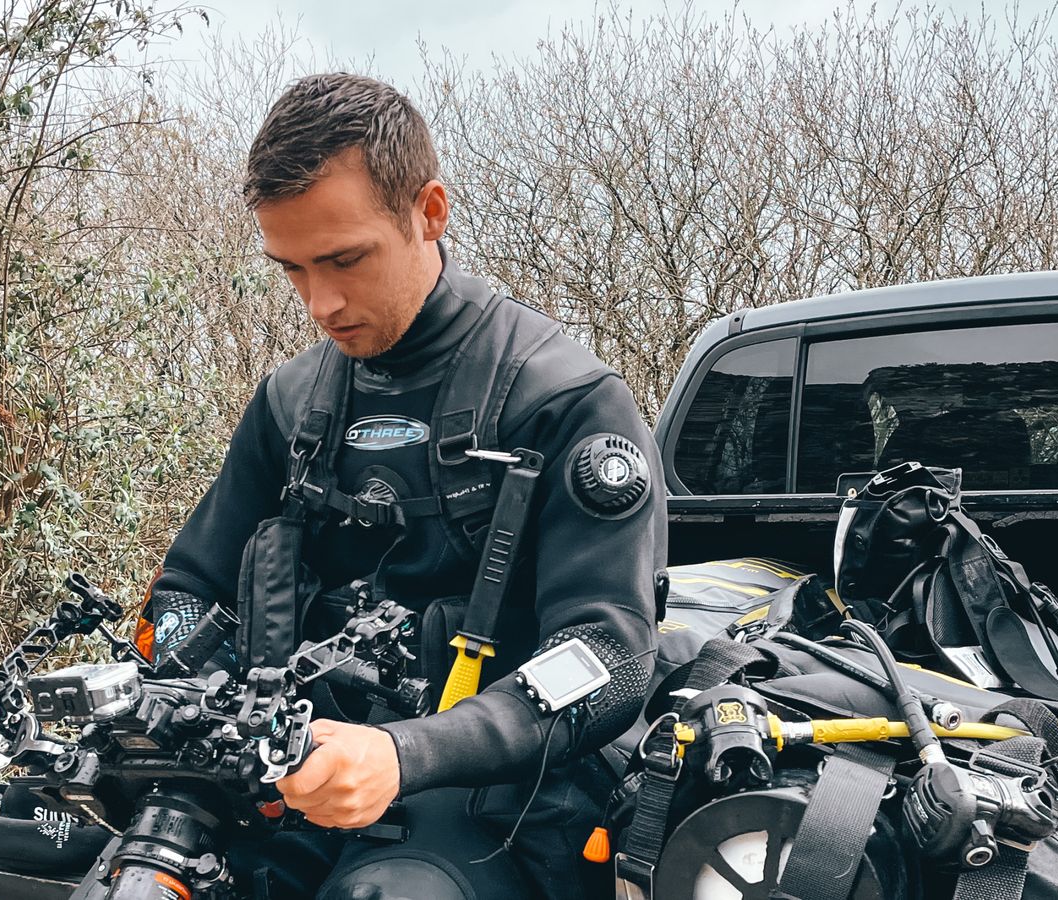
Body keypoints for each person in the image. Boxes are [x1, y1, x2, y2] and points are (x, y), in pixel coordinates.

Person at [145, 72, 667, 900]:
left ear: (429, 211)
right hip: (288, 778)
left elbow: (607, 657)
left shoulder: (562, 399)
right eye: (292, 270)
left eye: (345, 260)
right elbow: (188, 591)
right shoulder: (291, 405)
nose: (321, 302)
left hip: (493, 794)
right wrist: (189, 701)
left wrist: (403, 755)